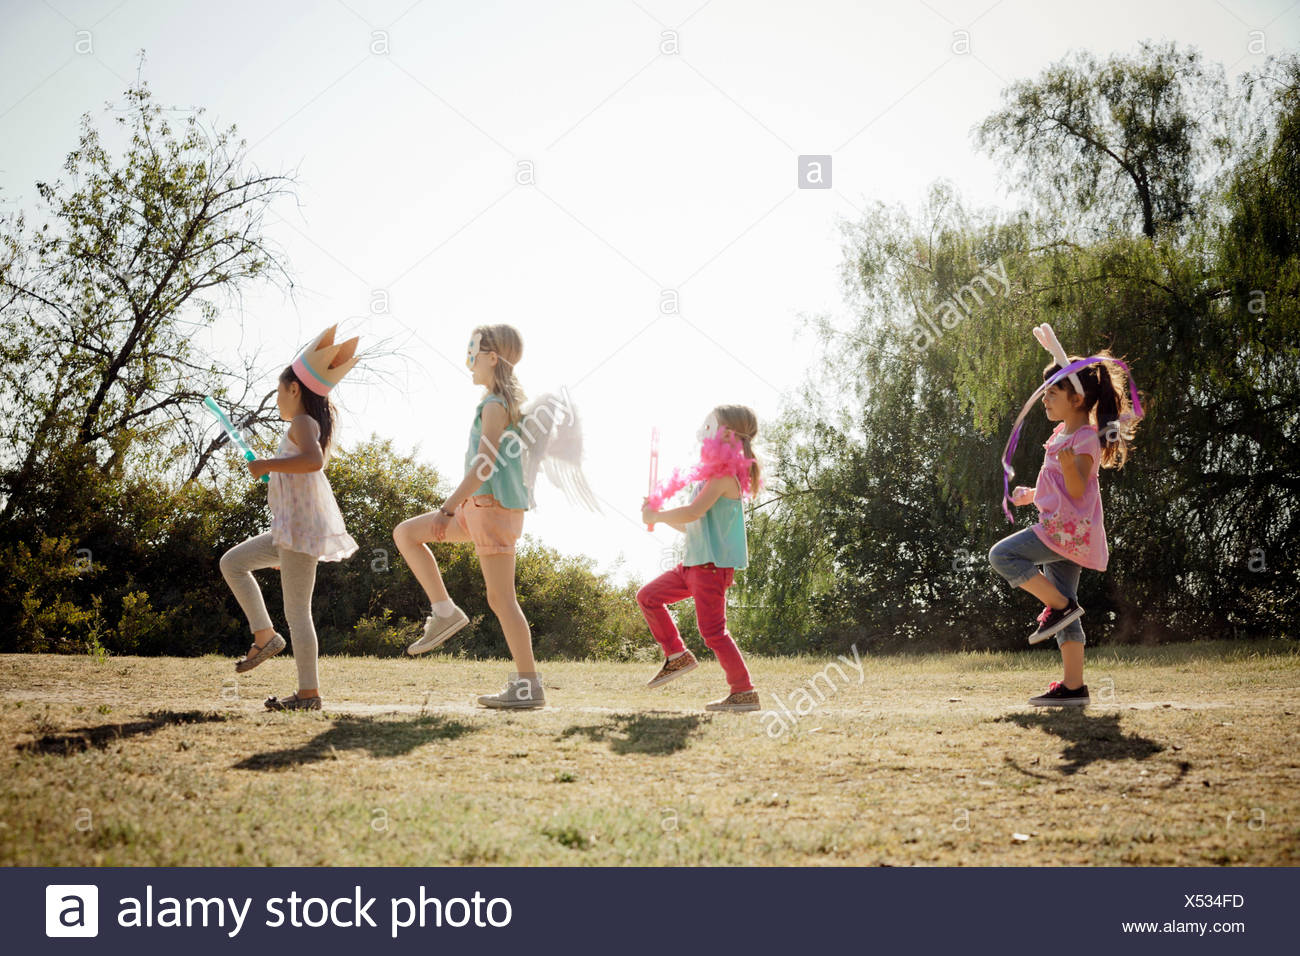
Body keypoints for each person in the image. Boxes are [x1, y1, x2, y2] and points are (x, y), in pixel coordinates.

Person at [392, 324, 542, 709]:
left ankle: (528, 687)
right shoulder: (497, 402)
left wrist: (446, 509)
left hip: (489, 509)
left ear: (492, 358)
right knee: (407, 534)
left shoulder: (495, 405)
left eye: (473, 354)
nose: (468, 362)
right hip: (478, 509)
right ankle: (444, 611)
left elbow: (484, 465)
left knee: (503, 599)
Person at [989, 346, 1139, 707]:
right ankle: (1074, 688)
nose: (1044, 399)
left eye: (1052, 392)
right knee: (1065, 614)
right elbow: (1057, 484)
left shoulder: (1085, 438)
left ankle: (1058, 604)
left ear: (1076, 399)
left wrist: (1071, 466)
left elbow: (1076, 488)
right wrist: (1031, 495)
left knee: (1003, 555)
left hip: (1064, 533)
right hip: (1061, 529)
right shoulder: (1059, 435)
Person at [221, 325, 360, 711]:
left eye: (280, 390)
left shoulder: (301, 424)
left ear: (295, 390)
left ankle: (308, 693)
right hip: (289, 533)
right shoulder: (306, 425)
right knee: (233, 563)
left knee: (298, 613)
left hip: (297, 533)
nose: (278, 398)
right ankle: (264, 635)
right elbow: (302, 467)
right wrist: (276, 469)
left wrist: (268, 462)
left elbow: (312, 463)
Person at [639, 405, 762, 712]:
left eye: (710, 428)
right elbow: (691, 523)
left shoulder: (725, 479)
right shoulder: (711, 478)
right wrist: (659, 516)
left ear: (728, 435)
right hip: (693, 565)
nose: (703, 434)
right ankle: (676, 655)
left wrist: (658, 513)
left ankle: (743, 691)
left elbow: (693, 512)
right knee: (648, 597)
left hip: (710, 568)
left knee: (713, 632)